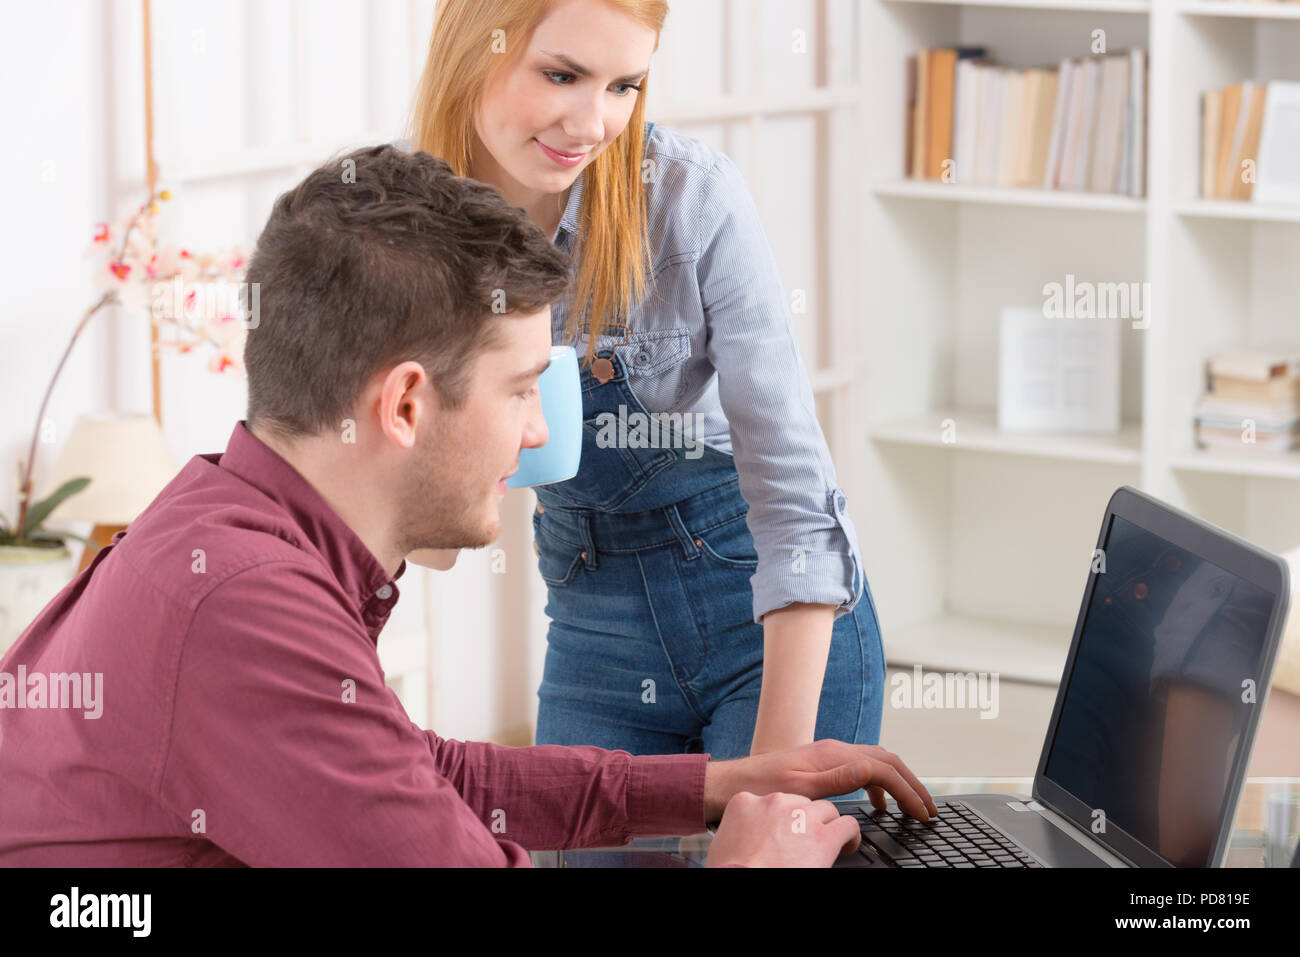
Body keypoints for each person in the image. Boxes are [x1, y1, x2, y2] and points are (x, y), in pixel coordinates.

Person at [0, 144, 936, 867]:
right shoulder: (244, 609)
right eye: (523, 389)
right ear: (405, 403)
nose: (539, 437)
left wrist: (717, 783)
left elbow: (417, 772)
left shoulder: (224, 525)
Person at [405, 0, 885, 763]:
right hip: (594, 625)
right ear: (473, 46)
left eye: (625, 84)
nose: (593, 124)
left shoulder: (692, 201)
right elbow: (418, 541)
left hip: (767, 612)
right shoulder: (399, 230)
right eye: (562, 75)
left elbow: (797, 501)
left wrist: (771, 788)